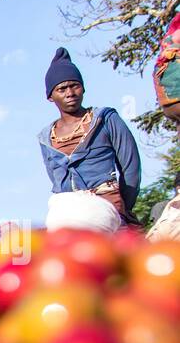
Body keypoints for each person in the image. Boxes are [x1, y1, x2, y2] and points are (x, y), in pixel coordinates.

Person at [38, 48, 141, 225]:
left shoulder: (106, 119)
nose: (70, 93)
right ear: (50, 97)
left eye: (74, 86)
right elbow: (55, 180)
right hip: (67, 212)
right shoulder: (46, 138)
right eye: (62, 89)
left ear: (83, 88)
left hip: (107, 206)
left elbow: (130, 168)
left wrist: (122, 209)